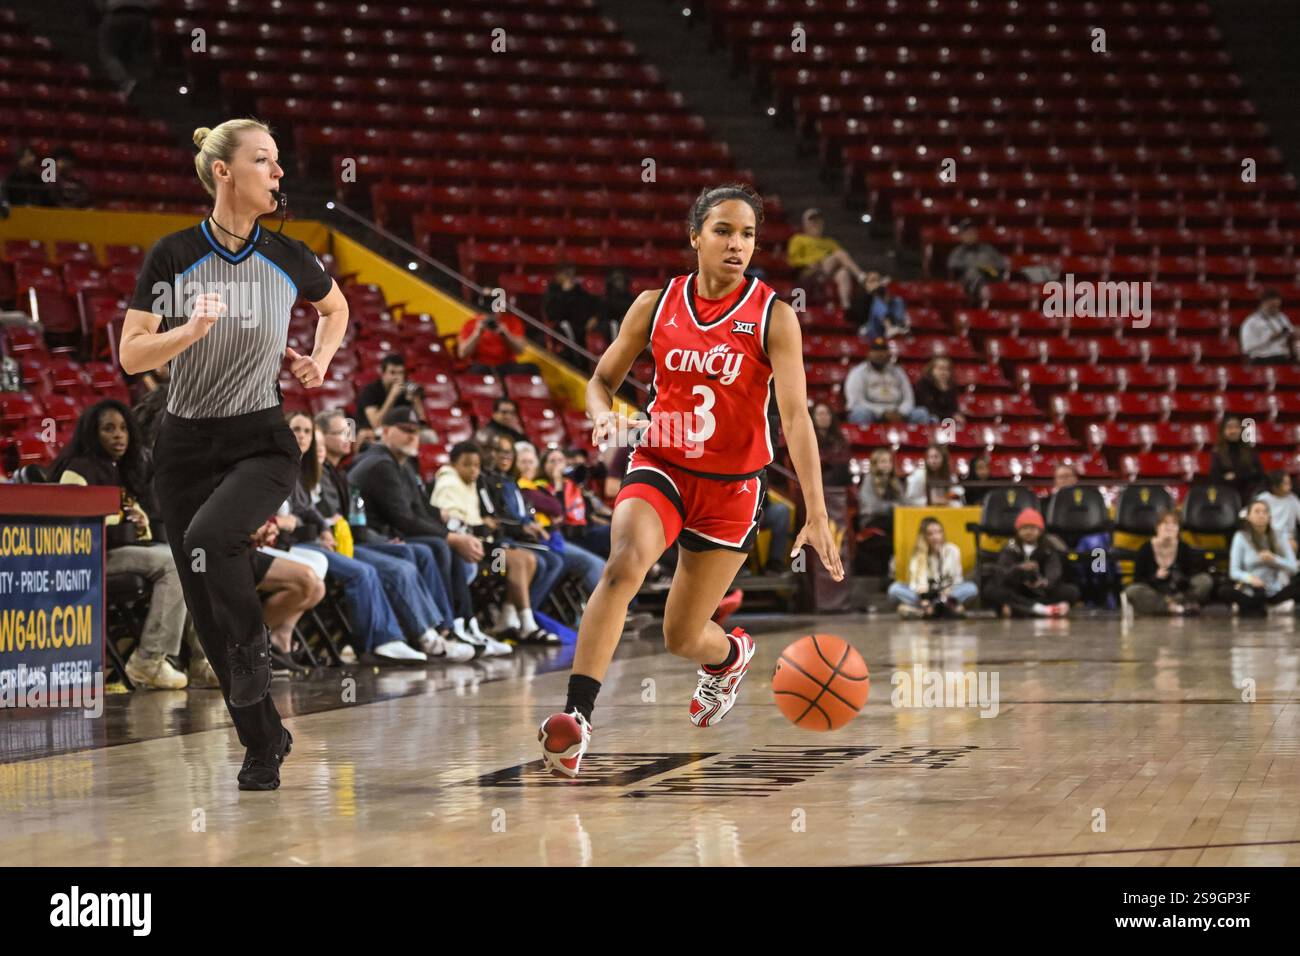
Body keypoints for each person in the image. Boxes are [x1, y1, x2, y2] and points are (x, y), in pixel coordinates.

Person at [538, 183, 844, 777]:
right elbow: (601, 380)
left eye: (748, 234)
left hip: (732, 488)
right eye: (724, 231)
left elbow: (796, 416)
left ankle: (729, 655)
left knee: (682, 636)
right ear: (695, 237)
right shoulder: (655, 304)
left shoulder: (774, 316)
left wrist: (816, 511)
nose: (737, 245)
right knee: (624, 563)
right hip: (662, 465)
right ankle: (577, 719)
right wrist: (604, 415)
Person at [118, 118, 347, 791]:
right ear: (223, 172)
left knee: (213, 537)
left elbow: (335, 310)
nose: (278, 174)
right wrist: (188, 330)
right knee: (204, 598)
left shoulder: (289, 256)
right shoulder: (172, 255)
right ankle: (263, 741)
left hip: (262, 438)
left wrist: (320, 362)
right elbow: (132, 354)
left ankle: (254, 655)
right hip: (184, 446)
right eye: (264, 160)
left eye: (277, 162)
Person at [50, 400, 218, 690]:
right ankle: (149, 659)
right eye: (109, 429)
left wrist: (140, 523)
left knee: (192, 560)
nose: (119, 435)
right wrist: (119, 524)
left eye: (124, 429)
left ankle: (202, 660)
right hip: (85, 559)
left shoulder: (123, 469)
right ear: (92, 433)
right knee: (173, 564)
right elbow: (71, 528)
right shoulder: (78, 470)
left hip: (117, 551)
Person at [280, 412, 445, 664]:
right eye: (297, 430)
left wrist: (324, 527)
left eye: (306, 431)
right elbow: (293, 518)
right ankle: (381, 642)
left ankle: (432, 629)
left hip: (326, 540)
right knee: (367, 571)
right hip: (299, 545)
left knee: (408, 555)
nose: (303, 436)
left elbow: (316, 514)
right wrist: (321, 528)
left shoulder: (331, 473)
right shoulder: (290, 469)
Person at [347, 406, 495, 655]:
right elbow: (404, 519)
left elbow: (420, 509)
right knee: (435, 547)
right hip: (369, 538)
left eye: (416, 431)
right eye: (405, 430)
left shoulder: (403, 463)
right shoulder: (380, 463)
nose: (412, 436)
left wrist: (445, 521)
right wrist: (451, 537)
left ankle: (461, 623)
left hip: (388, 534)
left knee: (440, 546)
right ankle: (443, 628)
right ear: (385, 431)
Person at [431, 441, 543, 650]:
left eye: (477, 465)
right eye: (468, 465)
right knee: (517, 561)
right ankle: (526, 623)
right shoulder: (448, 484)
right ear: (454, 464)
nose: (474, 470)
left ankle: (508, 617)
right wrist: (483, 526)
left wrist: (485, 526)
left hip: (484, 547)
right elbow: (451, 523)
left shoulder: (471, 483)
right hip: (471, 553)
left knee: (528, 559)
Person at [980, 508, 1080, 617]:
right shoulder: (1011, 547)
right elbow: (1003, 571)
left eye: (1032, 528)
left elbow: (1054, 570)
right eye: (1024, 528)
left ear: (1040, 530)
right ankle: (1042, 609)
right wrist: (1019, 569)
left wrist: (1045, 582)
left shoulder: (1048, 548)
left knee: (1071, 591)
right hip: (1017, 589)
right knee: (991, 589)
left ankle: (1019, 610)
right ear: (1018, 531)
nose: (1028, 531)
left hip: (1042, 591)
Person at [1123, 510, 1213, 616]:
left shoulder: (1184, 548)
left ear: (1178, 529)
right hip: (1155, 592)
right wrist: (1155, 577)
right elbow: (1138, 580)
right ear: (1157, 527)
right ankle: (1175, 608)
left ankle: (1171, 607)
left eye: (1174, 524)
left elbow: (1191, 574)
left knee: (1205, 580)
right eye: (1165, 524)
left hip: (1178, 593)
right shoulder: (1145, 549)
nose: (1169, 528)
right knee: (1132, 591)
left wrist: (1182, 579)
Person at [888, 517, 978, 618]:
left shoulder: (952, 550)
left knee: (971, 588)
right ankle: (944, 609)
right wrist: (924, 598)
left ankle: (925, 611)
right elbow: (916, 584)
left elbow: (957, 579)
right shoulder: (918, 556)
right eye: (931, 534)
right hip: (925, 596)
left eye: (939, 532)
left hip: (946, 594)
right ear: (924, 537)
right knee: (895, 589)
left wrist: (946, 593)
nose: (936, 537)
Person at [785, 207, 866, 309]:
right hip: (810, 273)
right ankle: (862, 277)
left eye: (818, 221)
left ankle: (846, 307)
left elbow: (845, 259)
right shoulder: (798, 239)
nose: (815, 224)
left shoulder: (830, 242)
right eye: (812, 221)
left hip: (827, 272)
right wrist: (808, 263)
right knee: (839, 254)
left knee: (843, 272)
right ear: (804, 224)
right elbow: (792, 260)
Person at [1230, 499, 1300, 616]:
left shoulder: (1279, 535)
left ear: (1269, 516)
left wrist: (1275, 559)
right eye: (1257, 512)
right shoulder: (1241, 537)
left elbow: (1293, 567)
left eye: (1265, 512)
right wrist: (1250, 578)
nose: (1261, 515)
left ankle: (1264, 607)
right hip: (1251, 590)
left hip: (1274, 590)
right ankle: (1261, 607)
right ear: (1248, 516)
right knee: (1224, 590)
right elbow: (1234, 571)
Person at [844, 337, 927, 425]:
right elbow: (856, 402)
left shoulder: (898, 371)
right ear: (869, 353)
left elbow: (908, 398)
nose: (880, 354)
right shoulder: (858, 372)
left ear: (888, 353)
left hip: (897, 411)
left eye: (883, 351)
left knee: (921, 414)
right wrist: (882, 412)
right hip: (872, 412)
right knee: (860, 414)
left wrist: (901, 412)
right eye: (876, 351)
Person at [355, 353, 434, 439]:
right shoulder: (370, 390)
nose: (397, 377)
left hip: (400, 430)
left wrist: (416, 401)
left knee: (429, 435)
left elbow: (422, 423)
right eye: (392, 373)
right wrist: (392, 397)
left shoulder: (406, 389)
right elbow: (376, 424)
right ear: (383, 373)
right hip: (372, 431)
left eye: (400, 373)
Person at [855, 447, 904, 575]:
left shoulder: (895, 481)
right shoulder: (868, 480)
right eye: (882, 461)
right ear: (875, 464)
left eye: (888, 461)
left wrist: (896, 507)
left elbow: (904, 503)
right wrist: (891, 507)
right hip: (872, 520)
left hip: (892, 520)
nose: (886, 465)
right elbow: (871, 507)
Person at [457, 305, 537, 377]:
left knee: (532, 368)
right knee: (473, 374)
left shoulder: (512, 321)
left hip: (507, 365)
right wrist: (477, 333)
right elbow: (462, 354)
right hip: (482, 365)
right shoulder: (471, 323)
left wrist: (506, 334)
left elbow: (520, 351)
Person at [541, 262, 598, 362]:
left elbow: (592, 305)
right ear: (558, 275)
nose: (569, 277)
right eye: (566, 274)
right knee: (566, 327)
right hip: (561, 328)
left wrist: (594, 317)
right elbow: (553, 314)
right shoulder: (552, 292)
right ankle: (577, 359)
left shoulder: (579, 291)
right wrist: (565, 292)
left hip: (582, 327)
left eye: (571, 274)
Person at [946, 219, 1007, 305]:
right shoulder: (958, 252)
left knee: (983, 266)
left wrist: (986, 268)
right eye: (967, 233)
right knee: (973, 271)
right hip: (968, 281)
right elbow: (952, 265)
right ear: (961, 236)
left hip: (989, 276)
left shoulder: (988, 249)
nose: (970, 235)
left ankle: (979, 291)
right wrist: (972, 265)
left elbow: (1001, 265)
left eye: (973, 232)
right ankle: (976, 295)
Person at [1210, 415, 1265, 502]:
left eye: (1236, 427)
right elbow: (1216, 478)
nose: (1233, 431)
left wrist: (1235, 475)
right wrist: (1244, 474)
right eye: (1229, 428)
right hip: (1226, 495)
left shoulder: (1249, 450)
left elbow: (1258, 473)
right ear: (1223, 431)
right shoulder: (1217, 452)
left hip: (1249, 494)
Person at [1239, 290, 1297, 365]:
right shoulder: (1251, 322)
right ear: (1263, 303)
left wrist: (1294, 333)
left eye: (1278, 307)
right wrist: (1269, 339)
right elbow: (1246, 348)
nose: (1276, 310)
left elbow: (1289, 331)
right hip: (1262, 359)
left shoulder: (1282, 317)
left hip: (1283, 357)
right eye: (1272, 307)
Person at [849, 270, 909, 341]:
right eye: (872, 280)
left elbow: (889, 301)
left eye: (877, 280)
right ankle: (889, 328)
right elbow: (860, 312)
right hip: (870, 328)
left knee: (898, 300)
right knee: (877, 301)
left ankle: (900, 325)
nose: (875, 283)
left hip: (890, 328)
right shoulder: (862, 296)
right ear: (865, 284)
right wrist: (873, 291)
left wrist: (883, 290)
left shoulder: (883, 293)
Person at [1256, 470, 1300, 555]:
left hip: (1287, 537)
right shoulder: (1263, 499)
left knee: (1292, 546)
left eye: (1290, 483)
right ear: (1275, 486)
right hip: (1266, 536)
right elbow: (1247, 515)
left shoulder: (1292, 499)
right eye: (1286, 484)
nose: (1290, 486)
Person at [811, 401, 853, 487]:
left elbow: (845, 458)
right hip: (818, 476)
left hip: (839, 473)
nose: (824, 417)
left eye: (827, 414)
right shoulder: (809, 438)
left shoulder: (839, 438)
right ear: (813, 418)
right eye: (820, 414)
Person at [913, 356, 963, 425]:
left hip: (946, 419)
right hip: (929, 418)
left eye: (947, 369)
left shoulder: (952, 386)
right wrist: (950, 416)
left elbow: (953, 408)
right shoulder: (923, 384)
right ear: (932, 370)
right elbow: (927, 408)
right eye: (940, 369)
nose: (943, 372)